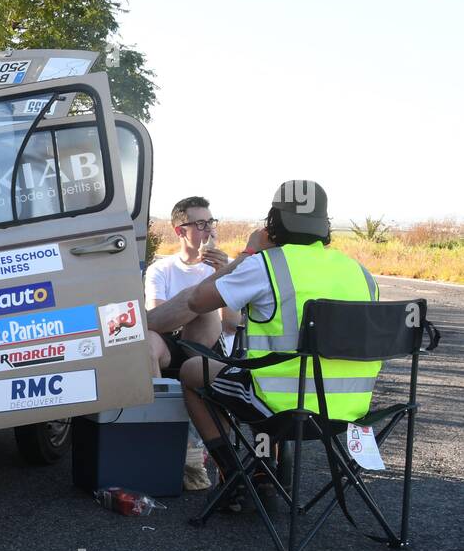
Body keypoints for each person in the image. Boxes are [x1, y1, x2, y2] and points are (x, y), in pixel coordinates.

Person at [147, 181, 380, 507]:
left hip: (281, 404)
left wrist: (248, 253)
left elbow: (199, 301)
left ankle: (234, 473)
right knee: (255, 375)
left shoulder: (267, 264)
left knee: (192, 372)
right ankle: (260, 470)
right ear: (324, 226)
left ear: (273, 224)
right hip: (348, 411)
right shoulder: (360, 272)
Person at [144, 196, 236, 378]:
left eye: (211, 222)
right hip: (169, 342)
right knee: (146, 342)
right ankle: (155, 404)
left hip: (210, 346)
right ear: (180, 232)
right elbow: (157, 320)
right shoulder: (160, 269)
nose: (209, 230)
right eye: (201, 224)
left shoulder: (228, 266)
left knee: (200, 299)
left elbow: (231, 324)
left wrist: (222, 274)